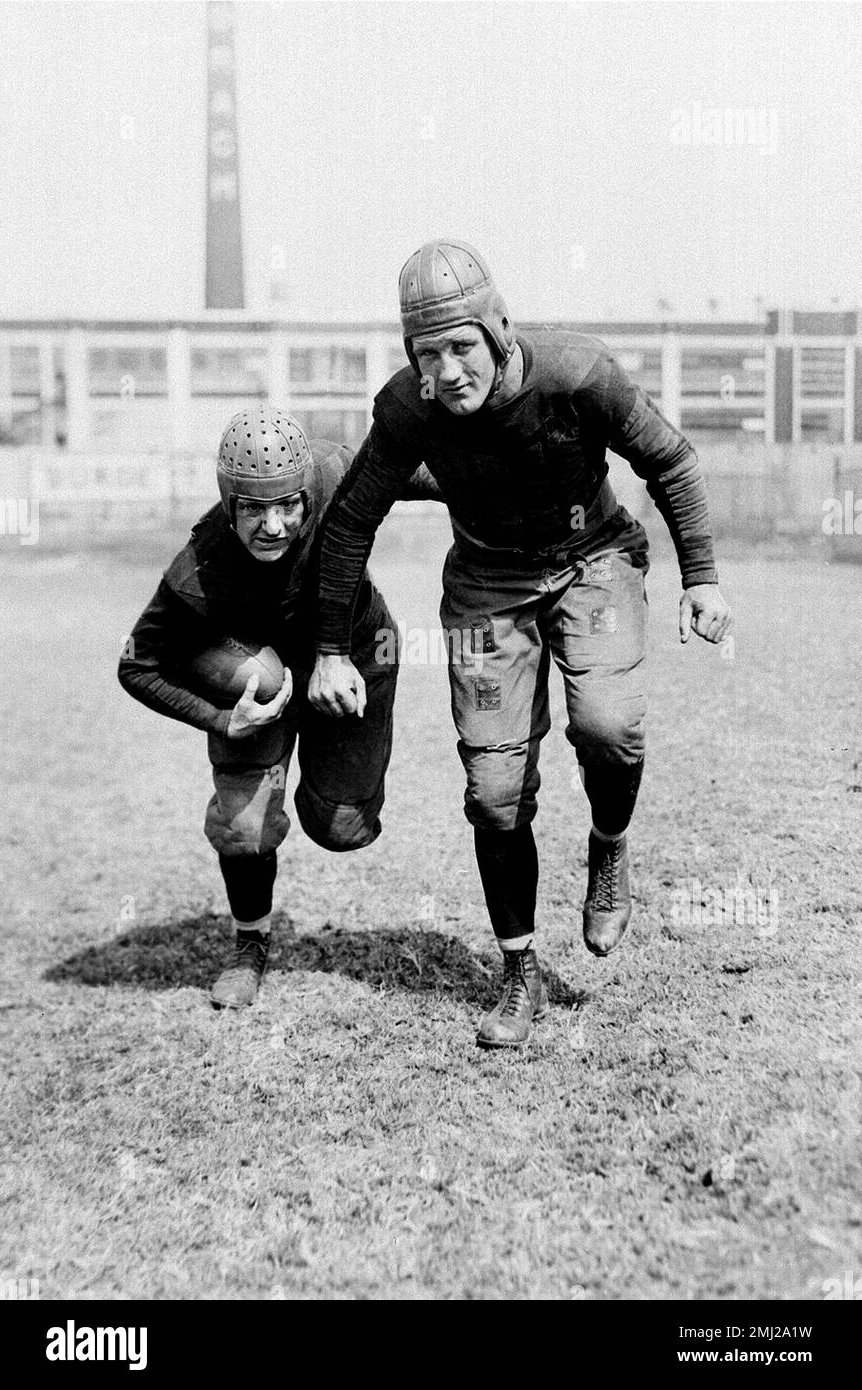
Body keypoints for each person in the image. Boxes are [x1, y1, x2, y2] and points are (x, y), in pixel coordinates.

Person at [309, 239, 733, 1049]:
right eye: (427, 353)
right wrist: (331, 649)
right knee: (495, 789)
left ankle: (608, 846)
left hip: (593, 559)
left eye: (462, 345)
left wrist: (702, 579)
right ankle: (518, 969)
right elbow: (351, 522)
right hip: (486, 582)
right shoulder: (407, 408)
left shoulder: (577, 373)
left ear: (500, 329)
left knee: (608, 727)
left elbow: (671, 461)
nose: (448, 370)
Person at [118, 406, 440, 1009]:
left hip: (353, 653)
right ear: (228, 501)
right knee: (243, 827)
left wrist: (489, 488)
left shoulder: (331, 471)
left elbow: (411, 470)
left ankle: (330, 785)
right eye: (253, 509)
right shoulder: (200, 566)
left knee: (343, 828)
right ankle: (249, 943)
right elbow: (135, 664)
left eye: (287, 505)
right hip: (261, 684)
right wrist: (222, 720)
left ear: (306, 491)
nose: (274, 525)